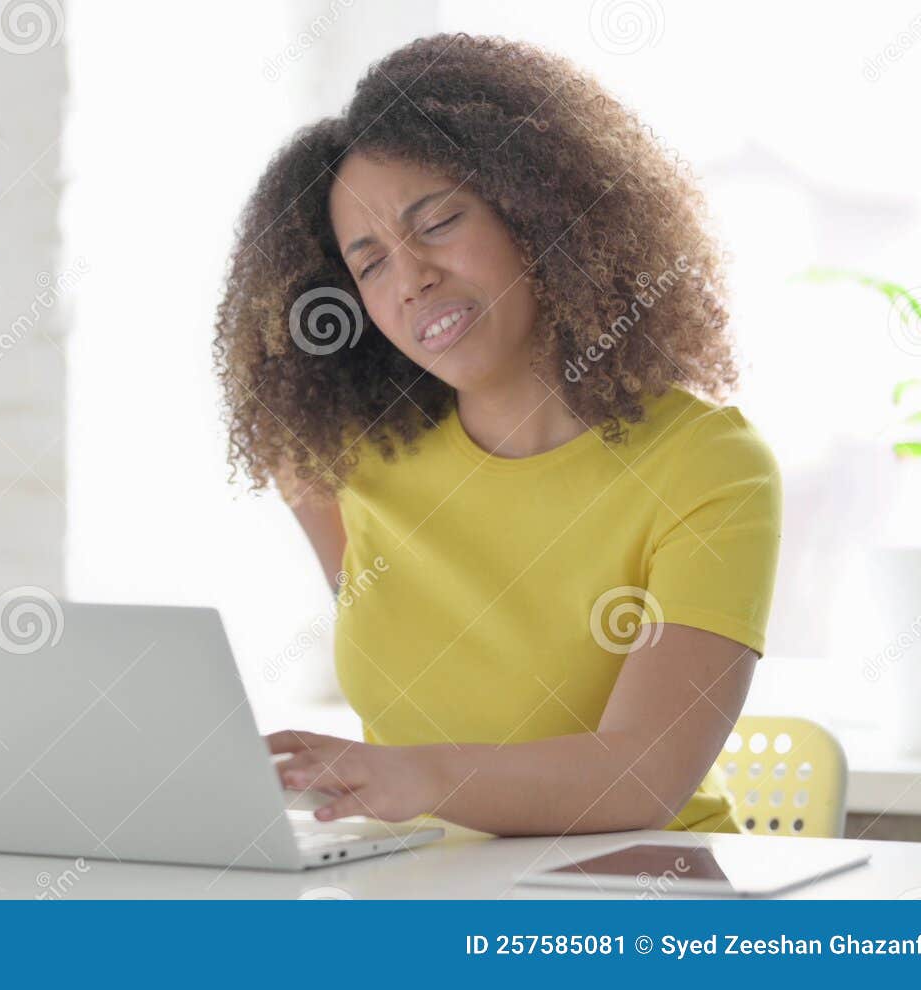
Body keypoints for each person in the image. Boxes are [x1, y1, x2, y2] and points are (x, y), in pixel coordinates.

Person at [213, 33, 780, 835]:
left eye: (439, 222)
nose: (411, 279)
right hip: (416, 907)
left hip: (637, 908)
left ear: (541, 210)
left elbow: (644, 773)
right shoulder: (337, 459)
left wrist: (417, 775)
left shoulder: (709, 463)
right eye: (369, 264)